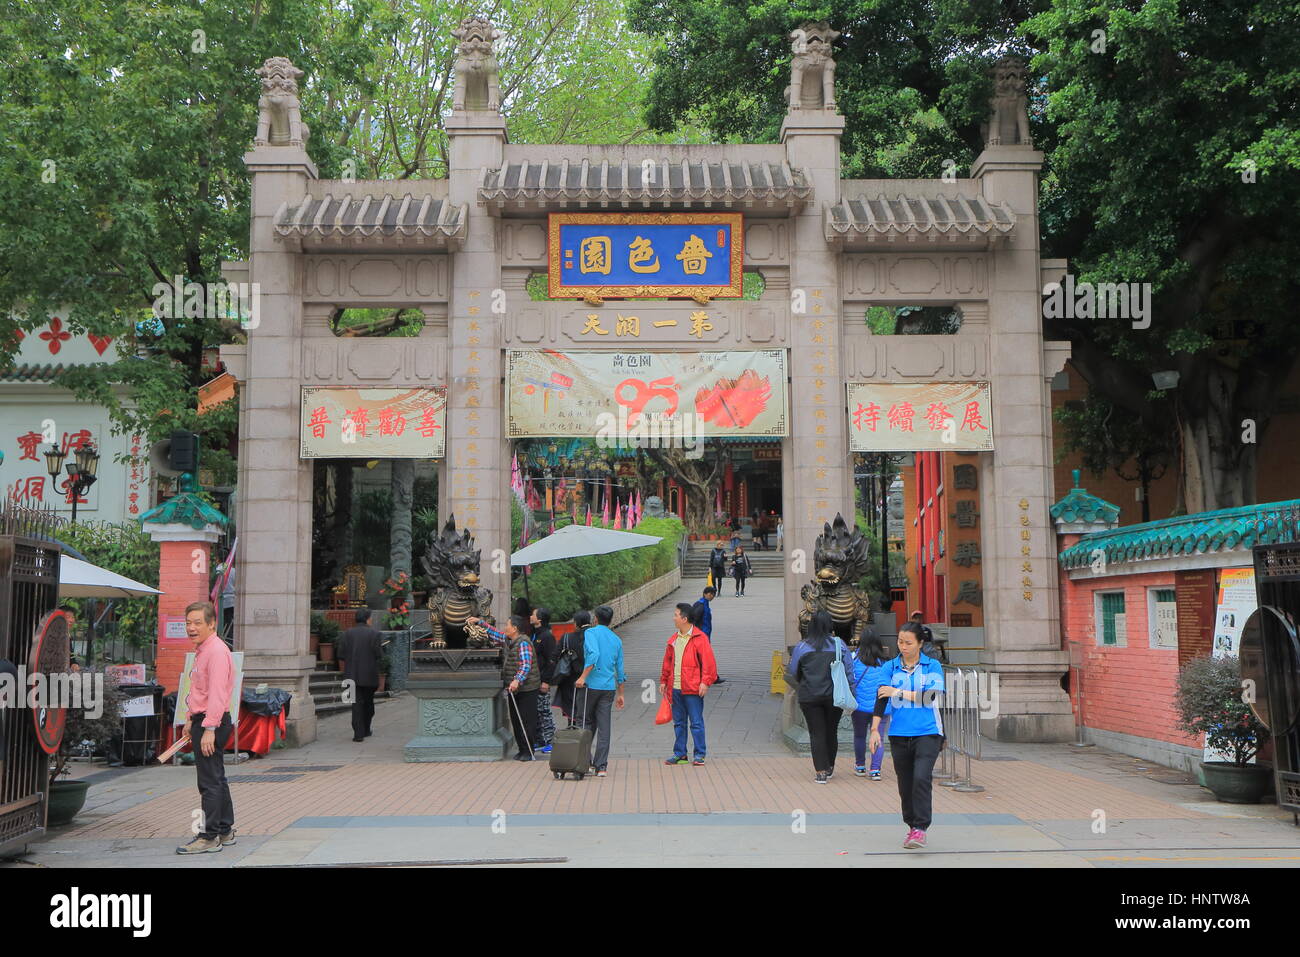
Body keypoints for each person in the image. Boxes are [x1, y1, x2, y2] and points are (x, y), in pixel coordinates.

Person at [870, 621, 945, 849]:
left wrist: (898, 692)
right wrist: (874, 730)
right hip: (899, 733)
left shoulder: (932, 666)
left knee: (921, 777)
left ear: (920, 643)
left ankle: (921, 828)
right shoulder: (890, 667)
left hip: (928, 731)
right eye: (900, 642)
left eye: (908, 642)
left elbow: (930, 697)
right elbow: (882, 698)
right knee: (905, 783)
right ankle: (912, 826)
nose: (903, 646)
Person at [176, 601, 237, 854]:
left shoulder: (216, 651)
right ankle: (224, 830)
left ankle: (208, 836)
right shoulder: (204, 650)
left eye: (197, 623)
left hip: (213, 721)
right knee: (217, 778)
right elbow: (199, 690)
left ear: (212, 624)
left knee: (209, 782)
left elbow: (217, 694)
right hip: (205, 719)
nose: (191, 628)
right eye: (188, 623)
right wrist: (191, 719)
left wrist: (209, 728)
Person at [786, 610, 853, 783]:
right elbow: (849, 671)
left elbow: (793, 671)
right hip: (834, 696)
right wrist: (852, 691)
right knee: (831, 731)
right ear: (830, 625)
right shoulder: (839, 645)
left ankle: (821, 771)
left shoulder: (802, 647)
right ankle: (830, 766)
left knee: (816, 733)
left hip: (809, 696)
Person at [468, 614, 540, 762]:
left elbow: (525, 665)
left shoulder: (523, 643)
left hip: (527, 689)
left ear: (515, 628)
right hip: (515, 689)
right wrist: (479, 622)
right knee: (516, 720)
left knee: (526, 720)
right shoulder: (510, 640)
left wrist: (517, 680)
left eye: (507, 625)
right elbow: (496, 634)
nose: (505, 627)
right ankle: (522, 750)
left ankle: (528, 751)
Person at [660, 602, 717, 766]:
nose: (674, 618)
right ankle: (680, 754)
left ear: (684, 619)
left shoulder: (700, 638)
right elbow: (667, 662)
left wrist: (705, 682)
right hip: (676, 687)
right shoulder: (674, 639)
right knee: (679, 723)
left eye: (676, 615)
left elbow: (709, 663)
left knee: (696, 722)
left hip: (692, 688)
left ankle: (699, 754)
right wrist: (664, 680)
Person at [574, 605, 626, 777]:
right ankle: (601, 766)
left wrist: (583, 676)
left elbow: (594, 654)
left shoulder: (590, 633)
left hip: (590, 686)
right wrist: (621, 694)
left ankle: (585, 762)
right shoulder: (616, 639)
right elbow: (620, 669)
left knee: (584, 722)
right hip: (608, 688)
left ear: (595, 618)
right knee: (604, 726)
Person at [337, 608, 384, 742]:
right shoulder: (375, 634)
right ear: (367, 619)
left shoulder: (347, 634)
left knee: (355, 704)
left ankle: (358, 733)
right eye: (371, 618)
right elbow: (379, 654)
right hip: (369, 675)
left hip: (351, 675)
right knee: (368, 703)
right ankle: (366, 729)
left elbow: (340, 654)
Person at [850, 632, 890, 779]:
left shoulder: (854, 659)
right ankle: (875, 770)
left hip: (859, 706)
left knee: (859, 736)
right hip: (881, 707)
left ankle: (860, 766)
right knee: (878, 736)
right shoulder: (886, 663)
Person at [555, 610, 589, 727]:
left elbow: (555, 656)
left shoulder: (567, 638)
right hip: (590, 678)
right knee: (588, 710)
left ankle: (573, 729)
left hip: (570, 679)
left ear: (576, 623)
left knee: (572, 708)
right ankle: (586, 732)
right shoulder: (595, 637)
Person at [531, 606, 557, 753]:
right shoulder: (535, 635)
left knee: (545, 711)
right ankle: (540, 740)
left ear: (539, 619)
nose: (530, 616)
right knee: (537, 711)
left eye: (533, 614)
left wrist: (546, 680)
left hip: (542, 681)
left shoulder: (547, 637)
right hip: (535, 680)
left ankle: (551, 740)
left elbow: (551, 661)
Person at [691, 587, 725, 684]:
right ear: (706, 594)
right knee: (706, 658)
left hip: (704, 635)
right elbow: (693, 620)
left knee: (702, 658)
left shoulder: (703, 604)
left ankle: (707, 677)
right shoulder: (701, 605)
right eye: (711, 594)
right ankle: (712, 677)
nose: (712, 597)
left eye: (713, 595)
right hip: (701, 636)